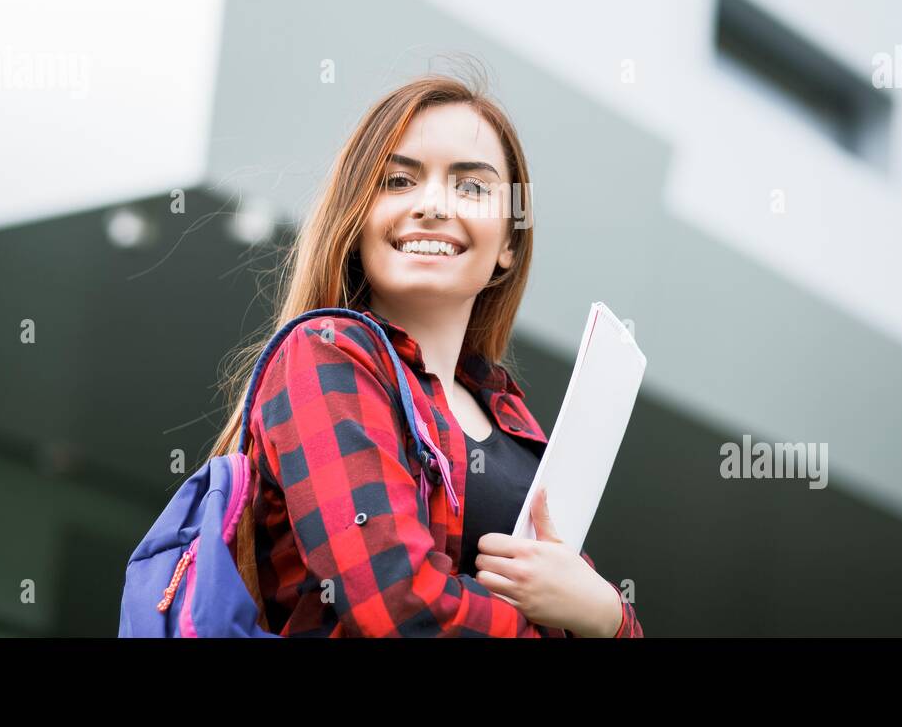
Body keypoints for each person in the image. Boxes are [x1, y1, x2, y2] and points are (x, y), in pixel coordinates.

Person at [206, 72, 642, 637]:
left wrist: (609, 614)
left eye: (472, 187)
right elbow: (397, 604)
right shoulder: (326, 355)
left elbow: (578, 592)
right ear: (357, 217)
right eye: (398, 180)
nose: (433, 205)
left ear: (509, 242)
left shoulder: (512, 420)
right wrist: (590, 619)